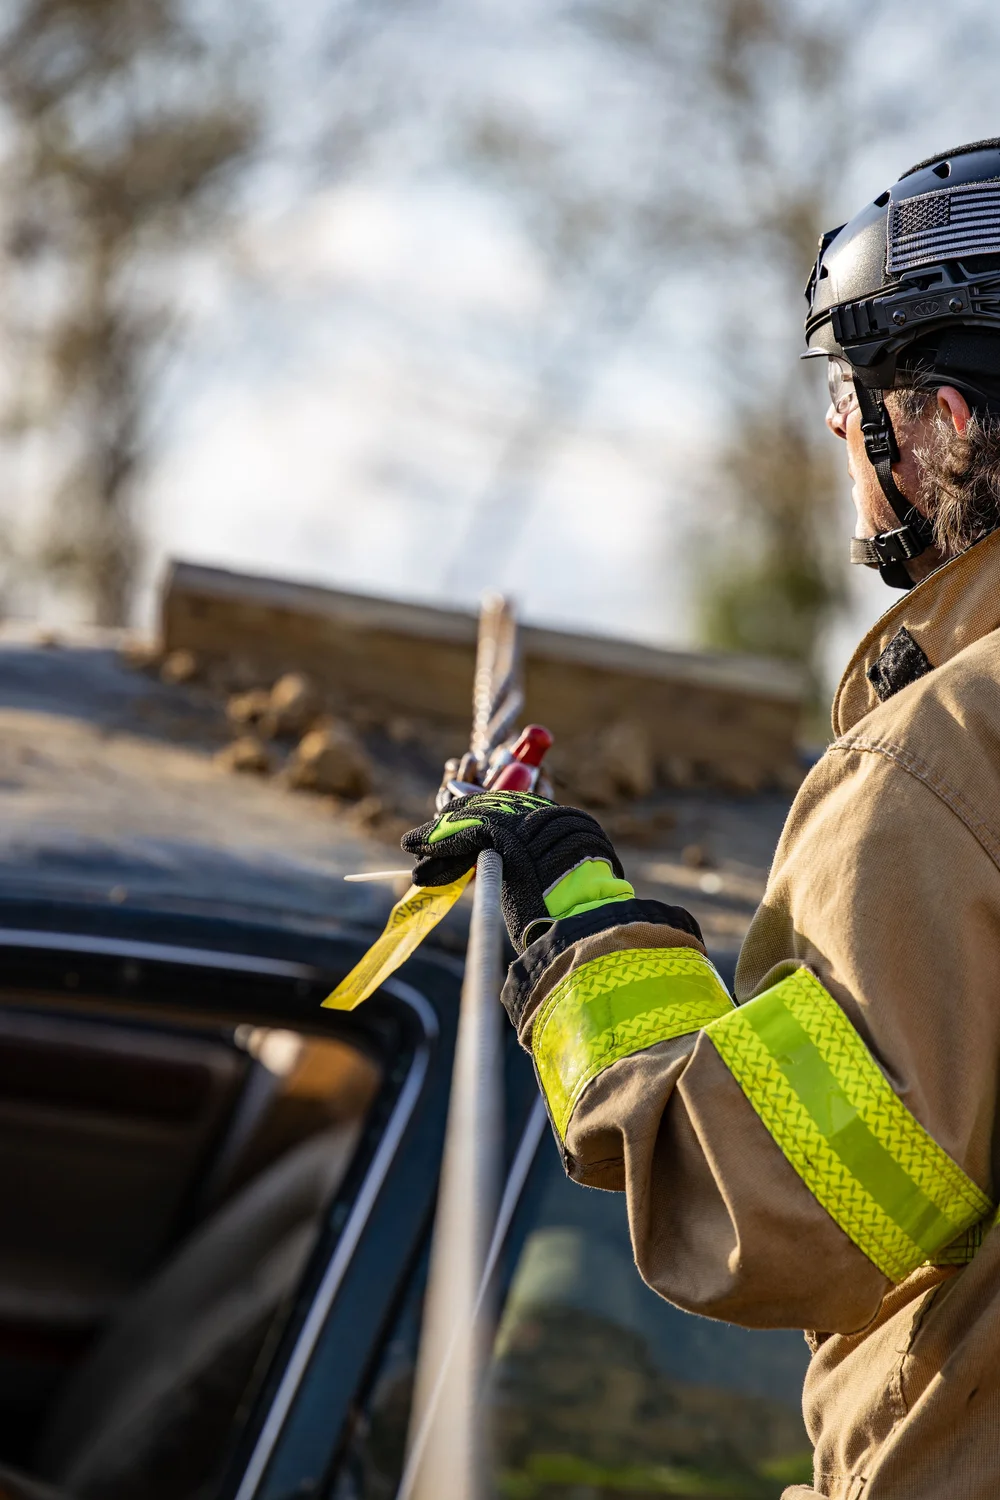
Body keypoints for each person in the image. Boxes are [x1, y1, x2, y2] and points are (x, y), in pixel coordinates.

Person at [402, 137, 1000, 1500]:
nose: (845, 435)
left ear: (943, 425)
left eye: (854, 399)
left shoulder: (944, 764)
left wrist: (586, 940)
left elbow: (789, 1211)